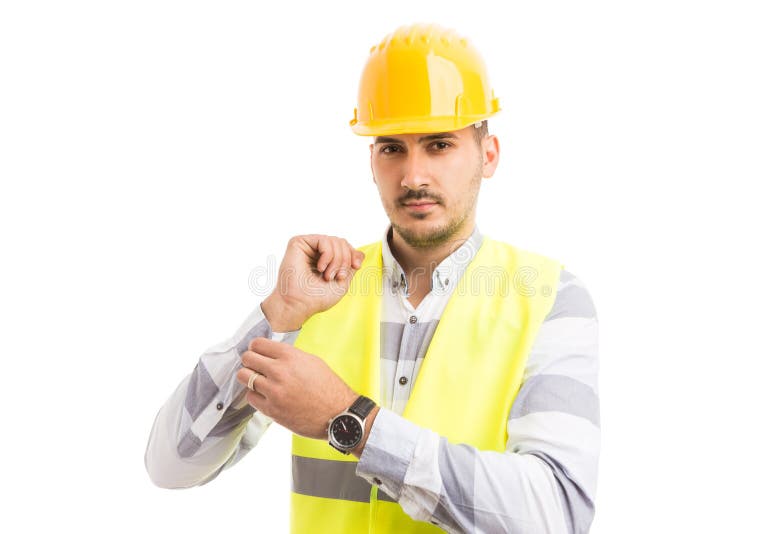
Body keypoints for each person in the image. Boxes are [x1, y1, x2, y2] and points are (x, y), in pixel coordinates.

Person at [145, 22, 600, 534]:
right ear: (371, 157)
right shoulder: (321, 294)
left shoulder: (550, 299)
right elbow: (170, 466)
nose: (413, 176)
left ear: (487, 155)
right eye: (392, 148)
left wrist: (352, 421)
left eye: (439, 144)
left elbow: (557, 515)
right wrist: (278, 314)